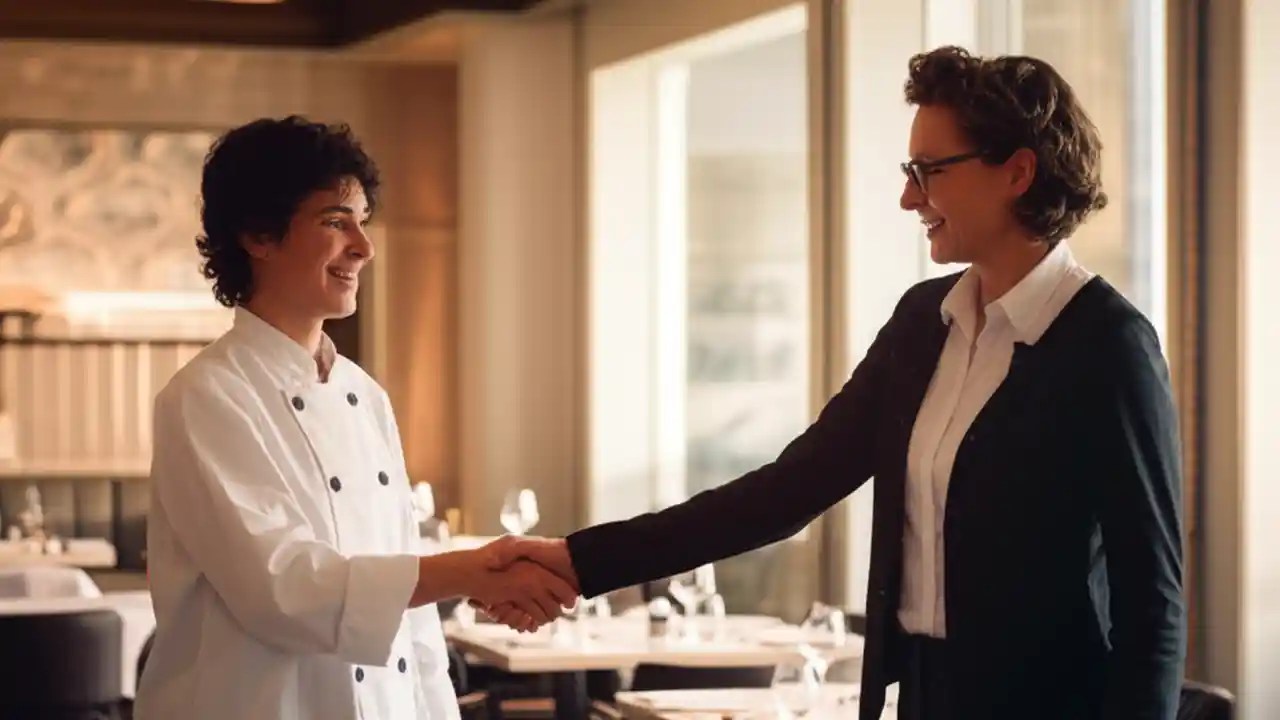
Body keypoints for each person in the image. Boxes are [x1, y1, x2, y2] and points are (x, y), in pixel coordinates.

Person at [482, 47, 1186, 720]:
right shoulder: (924, 322)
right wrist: (579, 560)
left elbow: (1153, 606)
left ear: (1018, 172)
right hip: (921, 697)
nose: (910, 196)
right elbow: (787, 491)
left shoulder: (1108, 346)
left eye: (930, 170)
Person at [135, 116, 575, 720]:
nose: (364, 248)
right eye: (335, 221)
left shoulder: (365, 396)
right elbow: (285, 590)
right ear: (259, 235)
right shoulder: (206, 397)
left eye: (363, 222)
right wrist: (470, 570)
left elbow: (414, 627)